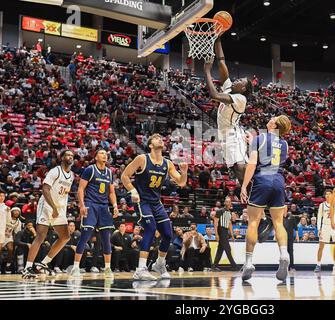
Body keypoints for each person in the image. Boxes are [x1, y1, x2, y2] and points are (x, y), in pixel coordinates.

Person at [121, 134, 188, 280]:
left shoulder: (167, 163)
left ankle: (159, 263)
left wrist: (184, 172)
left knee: (168, 234)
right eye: (157, 139)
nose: (161, 140)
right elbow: (125, 176)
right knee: (150, 228)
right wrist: (132, 190)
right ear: (150, 145)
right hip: (142, 200)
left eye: (161, 139)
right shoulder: (142, 159)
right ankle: (140, 269)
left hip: (156, 202)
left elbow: (181, 183)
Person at [240, 116, 292, 282]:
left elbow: (253, 163)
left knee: (253, 222)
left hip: (262, 179)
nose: (270, 118)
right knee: (278, 223)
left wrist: (244, 185)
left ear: (274, 124)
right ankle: (284, 255)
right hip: (278, 180)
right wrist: (252, 142)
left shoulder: (259, 138)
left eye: (273, 118)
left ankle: (248, 262)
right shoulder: (285, 144)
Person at [203, 37, 253, 184]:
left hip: (233, 134)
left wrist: (207, 71)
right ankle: (250, 197)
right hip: (225, 134)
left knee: (240, 169)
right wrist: (217, 39)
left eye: (240, 81)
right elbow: (222, 62)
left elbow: (214, 95)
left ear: (243, 88)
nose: (236, 80)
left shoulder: (240, 99)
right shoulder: (230, 89)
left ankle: (255, 197)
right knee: (236, 171)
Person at [22, 150, 75, 279]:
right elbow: (45, 189)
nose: (70, 157)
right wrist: (53, 207)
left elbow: (64, 193)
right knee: (41, 236)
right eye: (67, 155)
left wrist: (62, 207)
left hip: (60, 208)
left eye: (72, 156)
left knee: (65, 236)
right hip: (47, 205)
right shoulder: (55, 171)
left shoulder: (72, 175)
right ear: (62, 158)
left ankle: (43, 264)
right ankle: (27, 268)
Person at [70, 149, 119, 278]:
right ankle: (75, 267)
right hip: (90, 204)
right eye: (102, 153)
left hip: (103, 207)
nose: (105, 155)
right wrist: (82, 205)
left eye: (106, 153)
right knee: (85, 236)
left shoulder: (109, 172)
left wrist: (114, 205)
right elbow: (81, 188)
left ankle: (107, 268)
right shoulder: (90, 170)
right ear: (96, 157)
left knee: (106, 238)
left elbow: (111, 192)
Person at [314, 189, 335, 273]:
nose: (327, 195)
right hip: (325, 226)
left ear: (332, 195)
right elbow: (319, 217)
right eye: (326, 194)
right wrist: (319, 229)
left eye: (329, 194)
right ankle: (318, 264)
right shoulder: (322, 205)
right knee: (321, 246)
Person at [211, 197, 237, 271]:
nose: (227, 203)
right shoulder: (220, 211)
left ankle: (214, 266)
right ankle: (234, 265)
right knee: (227, 248)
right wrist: (216, 234)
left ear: (230, 203)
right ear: (224, 203)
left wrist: (232, 235)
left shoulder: (229, 212)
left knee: (221, 249)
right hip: (221, 230)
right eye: (226, 202)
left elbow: (229, 224)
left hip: (225, 231)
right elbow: (215, 222)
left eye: (229, 202)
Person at [283, 206, 299, 271]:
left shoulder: (291, 217)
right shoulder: (280, 217)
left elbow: (296, 227)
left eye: (285, 208)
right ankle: (284, 266)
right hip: (283, 238)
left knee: (291, 252)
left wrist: (297, 236)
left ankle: (292, 266)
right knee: (283, 252)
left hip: (290, 237)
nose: (284, 210)